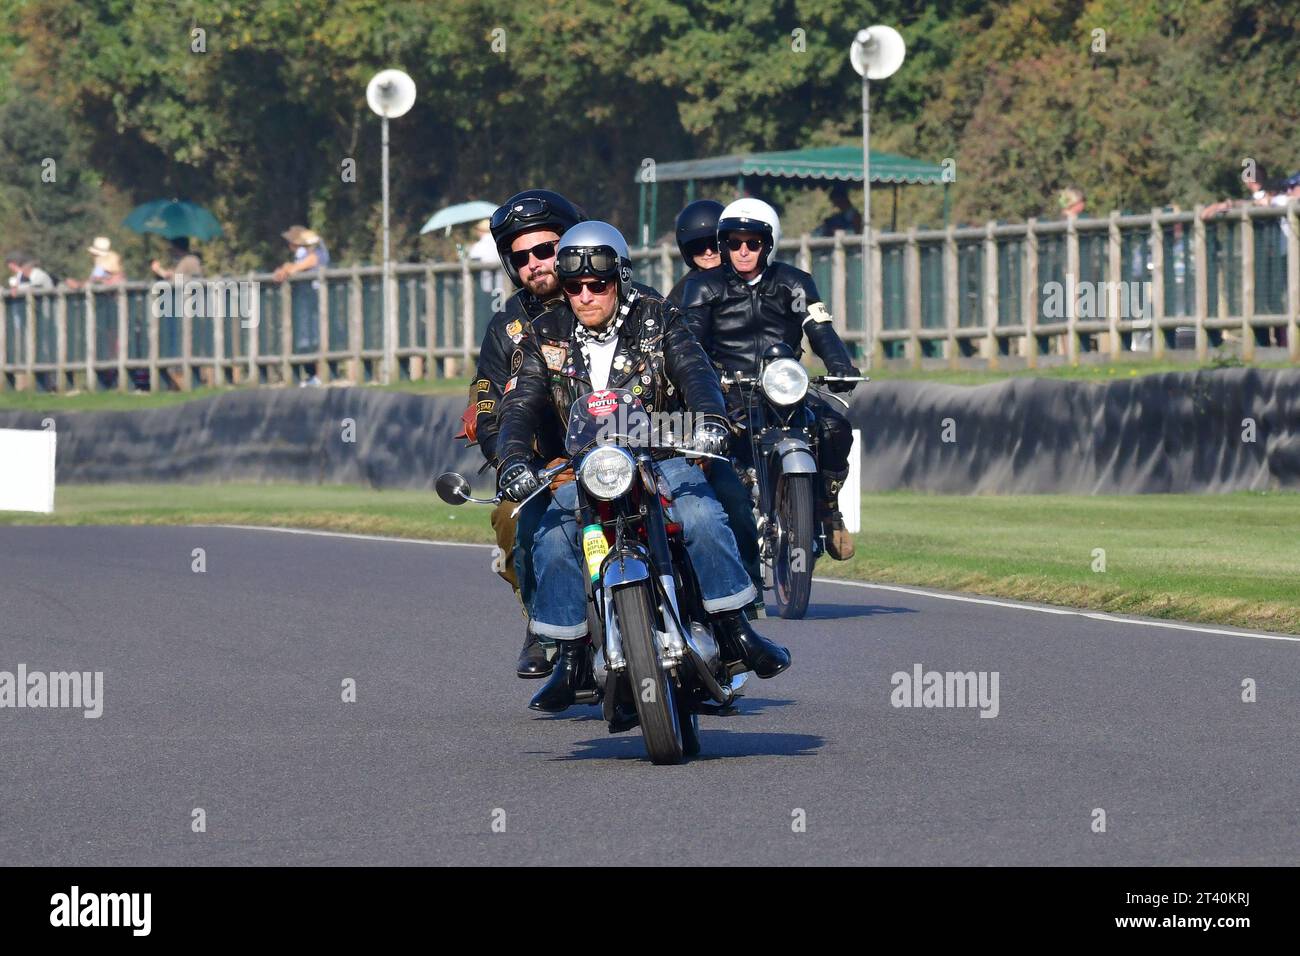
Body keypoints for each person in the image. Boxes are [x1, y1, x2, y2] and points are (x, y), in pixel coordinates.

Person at [495, 220, 791, 716]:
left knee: (701, 513)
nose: (585, 296)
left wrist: (711, 420)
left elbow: (695, 372)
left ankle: (734, 628)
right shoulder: (541, 334)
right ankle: (567, 657)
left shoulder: (659, 317)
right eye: (573, 286)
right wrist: (513, 459)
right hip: (586, 465)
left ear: (620, 279)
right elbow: (520, 402)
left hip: (661, 456)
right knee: (550, 533)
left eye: (598, 284)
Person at [679, 197, 861, 561]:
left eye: (753, 243)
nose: (743, 251)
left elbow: (821, 331)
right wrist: (700, 384)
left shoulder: (796, 282)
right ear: (723, 244)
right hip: (729, 390)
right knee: (711, 447)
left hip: (785, 388)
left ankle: (827, 508)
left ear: (769, 244)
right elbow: (692, 343)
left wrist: (842, 365)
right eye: (733, 243)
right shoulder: (702, 288)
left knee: (834, 427)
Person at [468, 189, 584, 679]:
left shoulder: (622, 299)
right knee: (512, 519)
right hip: (544, 465)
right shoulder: (506, 327)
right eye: (522, 256)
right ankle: (541, 624)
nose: (536, 263)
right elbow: (487, 404)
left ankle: (725, 621)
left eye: (545, 249)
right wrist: (509, 462)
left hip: (627, 452)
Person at [666, 198, 762, 607]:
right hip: (686, 428)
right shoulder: (674, 300)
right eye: (699, 248)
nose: (709, 254)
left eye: (714, 245)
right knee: (725, 497)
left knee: (824, 424)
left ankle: (749, 592)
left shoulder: (756, 283)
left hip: (750, 398)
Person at [273, 225, 330, 386]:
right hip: (305, 304)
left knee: (316, 338)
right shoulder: (302, 256)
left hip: (317, 303)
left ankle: (320, 376)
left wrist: (291, 269)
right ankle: (311, 376)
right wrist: (286, 269)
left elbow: (313, 261)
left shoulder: (315, 253)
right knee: (306, 340)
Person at [666, 199, 723, 306]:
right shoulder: (679, 296)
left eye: (714, 243)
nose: (709, 252)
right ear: (686, 249)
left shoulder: (744, 281)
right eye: (698, 246)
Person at [467, 219, 502, 294]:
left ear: (481, 231)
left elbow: (472, 260)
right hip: (502, 286)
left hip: (484, 286)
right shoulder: (499, 243)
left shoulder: (478, 246)